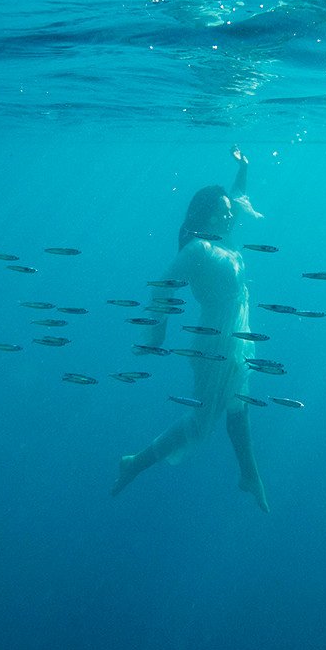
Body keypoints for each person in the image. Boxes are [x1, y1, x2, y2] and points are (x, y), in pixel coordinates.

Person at [111, 146, 269, 511]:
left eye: (230, 213)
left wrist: (244, 168)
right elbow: (160, 286)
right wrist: (155, 335)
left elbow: (237, 196)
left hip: (237, 337)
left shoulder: (223, 240)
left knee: (236, 404)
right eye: (224, 213)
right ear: (209, 217)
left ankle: (249, 474)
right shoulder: (198, 249)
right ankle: (135, 463)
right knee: (203, 418)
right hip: (215, 342)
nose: (232, 217)